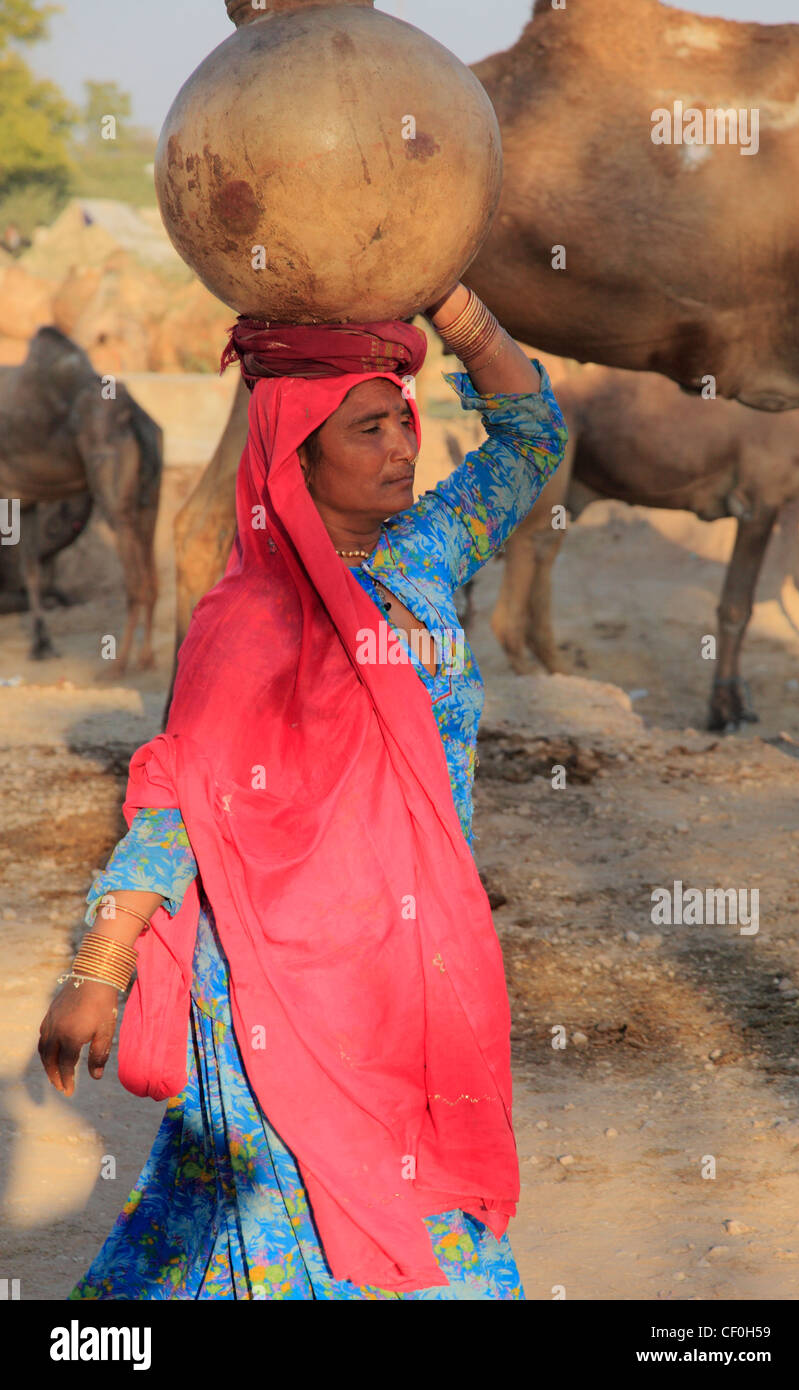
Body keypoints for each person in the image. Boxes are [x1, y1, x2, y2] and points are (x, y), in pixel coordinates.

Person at [37, 282, 568, 1299]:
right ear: (299, 454)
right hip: (274, 988)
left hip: (412, 966)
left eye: (403, 423)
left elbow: (530, 433)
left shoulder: (423, 556)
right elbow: (180, 802)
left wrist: (452, 306)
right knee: (289, 1218)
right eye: (368, 429)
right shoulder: (243, 619)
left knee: (410, 1196)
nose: (403, 448)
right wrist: (102, 964)